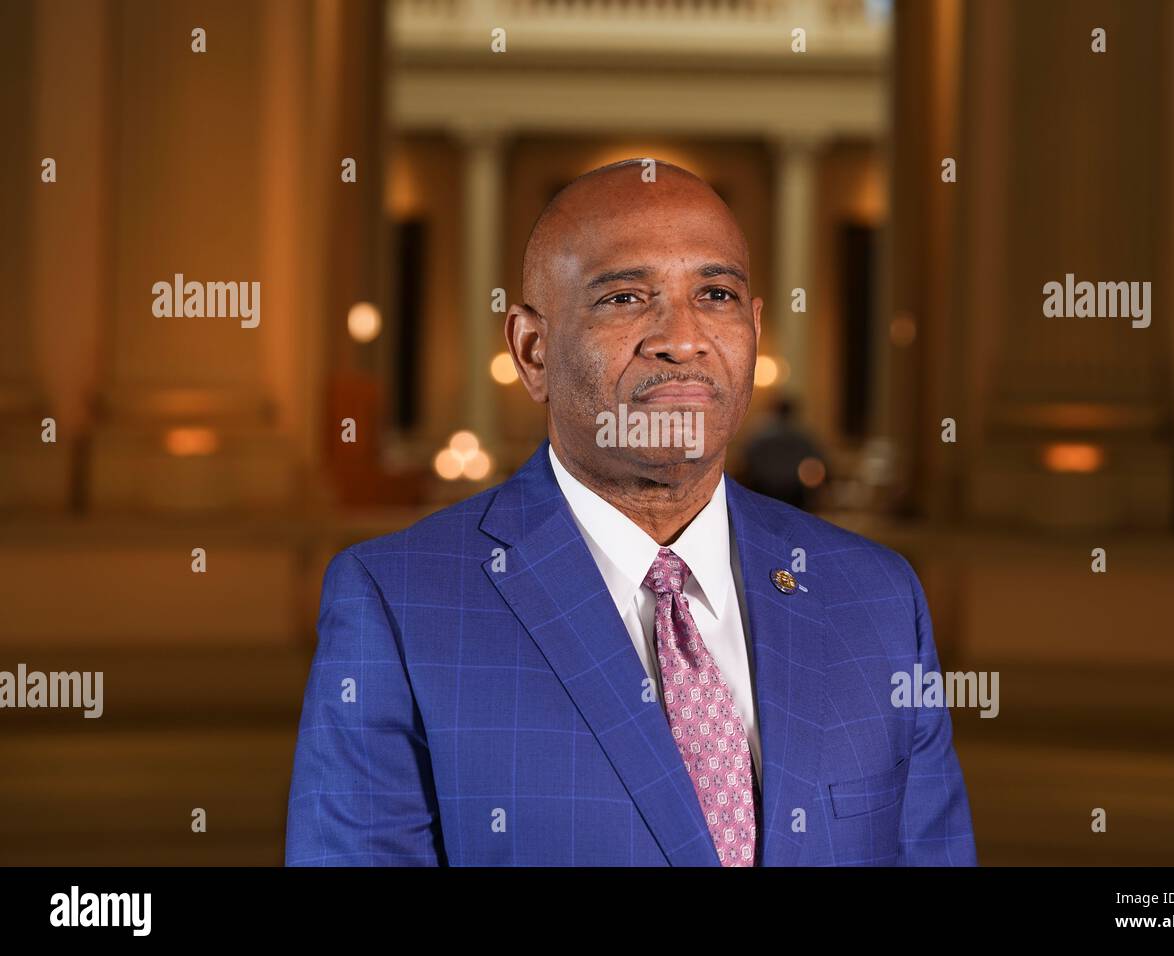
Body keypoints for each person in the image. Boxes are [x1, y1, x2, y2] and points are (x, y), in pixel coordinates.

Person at [285, 158, 977, 866]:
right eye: (623, 298)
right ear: (532, 351)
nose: (682, 337)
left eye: (715, 293)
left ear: (755, 329)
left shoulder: (879, 598)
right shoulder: (400, 605)